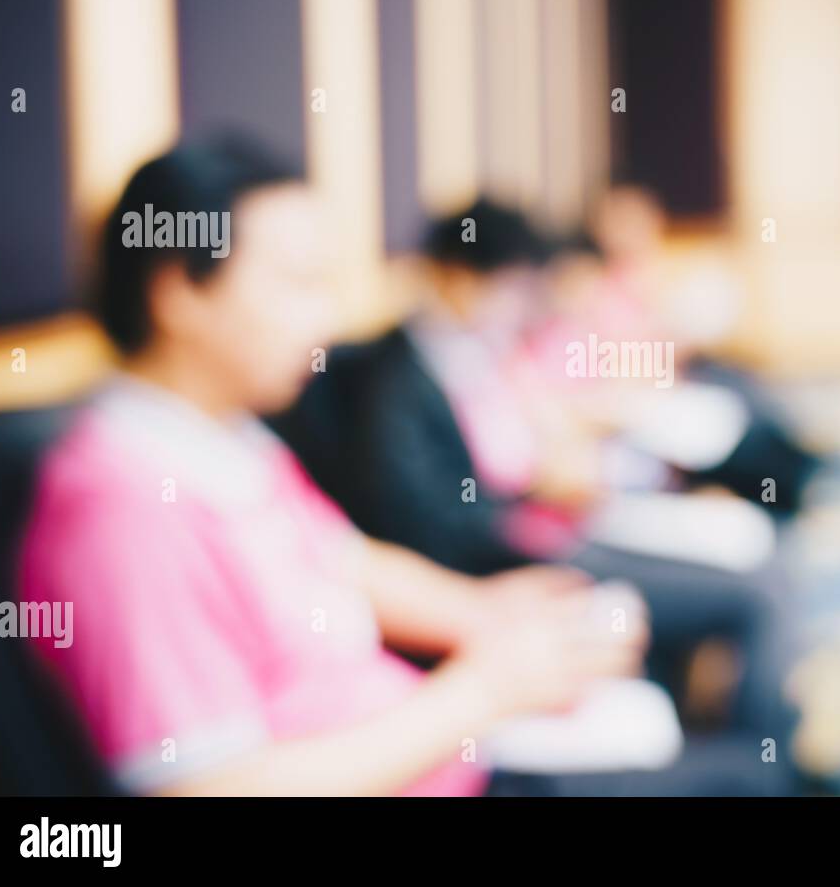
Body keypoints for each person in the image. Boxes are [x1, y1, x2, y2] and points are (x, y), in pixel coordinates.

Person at [19, 138, 791, 797]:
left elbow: (346, 560)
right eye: (296, 283)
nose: (324, 319)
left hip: (444, 756)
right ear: (178, 292)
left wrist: (488, 614)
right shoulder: (124, 509)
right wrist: (482, 688)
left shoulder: (227, 442)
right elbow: (207, 787)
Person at [271, 199, 805, 776]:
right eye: (504, 285)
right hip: (517, 552)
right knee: (748, 595)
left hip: (538, 540)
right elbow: (427, 520)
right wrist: (524, 531)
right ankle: (752, 765)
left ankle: (749, 753)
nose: (515, 302)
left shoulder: (477, 352)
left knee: (750, 556)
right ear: (454, 276)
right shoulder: (393, 380)